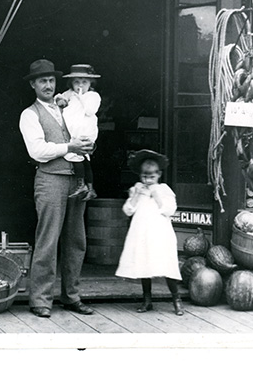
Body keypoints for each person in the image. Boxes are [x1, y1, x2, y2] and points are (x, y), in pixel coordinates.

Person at [19, 58, 96, 318]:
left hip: (76, 178)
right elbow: (38, 151)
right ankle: (40, 300)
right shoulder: (30, 114)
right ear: (33, 85)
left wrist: (87, 146)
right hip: (50, 179)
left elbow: (83, 131)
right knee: (48, 239)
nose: (49, 85)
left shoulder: (68, 106)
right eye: (43, 81)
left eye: (52, 80)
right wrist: (70, 147)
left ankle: (71, 297)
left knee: (77, 240)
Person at [115, 149, 184, 315]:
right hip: (142, 234)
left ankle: (176, 298)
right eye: (145, 176)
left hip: (160, 234)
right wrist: (136, 195)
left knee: (166, 265)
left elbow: (169, 210)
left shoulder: (165, 190)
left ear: (159, 174)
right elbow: (128, 210)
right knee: (143, 264)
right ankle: (147, 300)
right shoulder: (137, 190)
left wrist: (156, 195)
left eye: (152, 176)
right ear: (140, 175)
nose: (148, 180)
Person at [55, 64, 101, 201]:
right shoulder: (70, 93)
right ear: (72, 83)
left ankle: (82, 184)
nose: (80, 85)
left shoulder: (92, 96)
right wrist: (62, 100)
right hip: (72, 132)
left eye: (84, 82)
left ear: (90, 83)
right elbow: (59, 98)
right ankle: (90, 188)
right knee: (83, 159)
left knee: (76, 156)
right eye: (77, 82)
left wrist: (80, 97)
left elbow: (90, 110)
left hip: (85, 132)